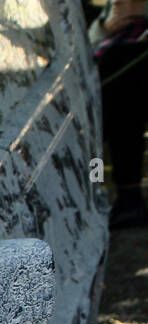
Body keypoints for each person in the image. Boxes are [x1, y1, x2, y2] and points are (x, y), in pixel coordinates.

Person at [91, 0, 148, 228]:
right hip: (101, 64)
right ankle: (98, 187)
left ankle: (127, 194)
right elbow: (86, 40)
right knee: (91, 127)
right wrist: (107, 25)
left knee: (123, 73)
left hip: (128, 63)